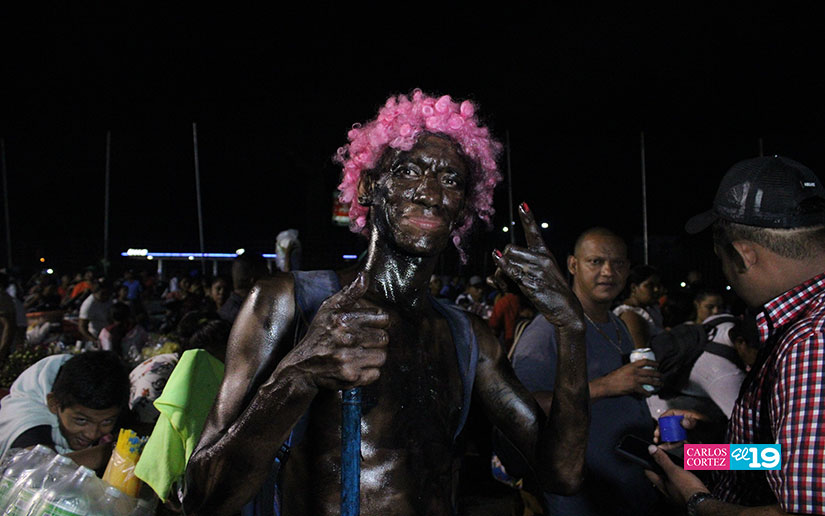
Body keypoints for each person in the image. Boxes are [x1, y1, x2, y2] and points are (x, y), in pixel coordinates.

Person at [183, 90, 590, 516]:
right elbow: (201, 498)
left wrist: (571, 328)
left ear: (463, 211)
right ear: (368, 186)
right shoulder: (288, 302)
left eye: (451, 180)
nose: (430, 193)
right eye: (410, 171)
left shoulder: (469, 340)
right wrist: (296, 376)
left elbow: (562, 475)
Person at [648, 155, 825, 515]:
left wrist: (697, 502)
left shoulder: (812, 342)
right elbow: (785, 458)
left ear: (743, 255)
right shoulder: (802, 321)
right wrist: (708, 451)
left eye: (721, 259)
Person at [510, 227, 662, 515]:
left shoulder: (617, 325)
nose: (608, 272)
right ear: (573, 265)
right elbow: (523, 405)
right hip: (580, 494)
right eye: (596, 262)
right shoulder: (549, 329)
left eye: (618, 264)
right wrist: (607, 385)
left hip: (629, 483)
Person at [0, 351, 130, 470]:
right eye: (81, 420)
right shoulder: (26, 417)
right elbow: (38, 470)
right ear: (54, 404)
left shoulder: (108, 400)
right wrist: (110, 453)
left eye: (106, 421)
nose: (92, 434)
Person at [613, 265, 664, 348]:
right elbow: (640, 352)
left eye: (658, 286)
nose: (656, 290)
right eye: (650, 286)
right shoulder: (629, 315)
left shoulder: (649, 309)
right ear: (633, 288)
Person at [217, 253, 268, 324]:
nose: (269, 281)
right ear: (255, 280)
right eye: (266, 275)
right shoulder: (249, 316)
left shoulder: (227, 310)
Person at [77, 279, 113, 343]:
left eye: (107, 293)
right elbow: (82, 327)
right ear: (95, 292)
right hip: (96, 335)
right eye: (102, 294)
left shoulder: (109, 299)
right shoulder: (88, 305)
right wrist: (94, 340)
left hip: (109, 333)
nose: (105, 296)